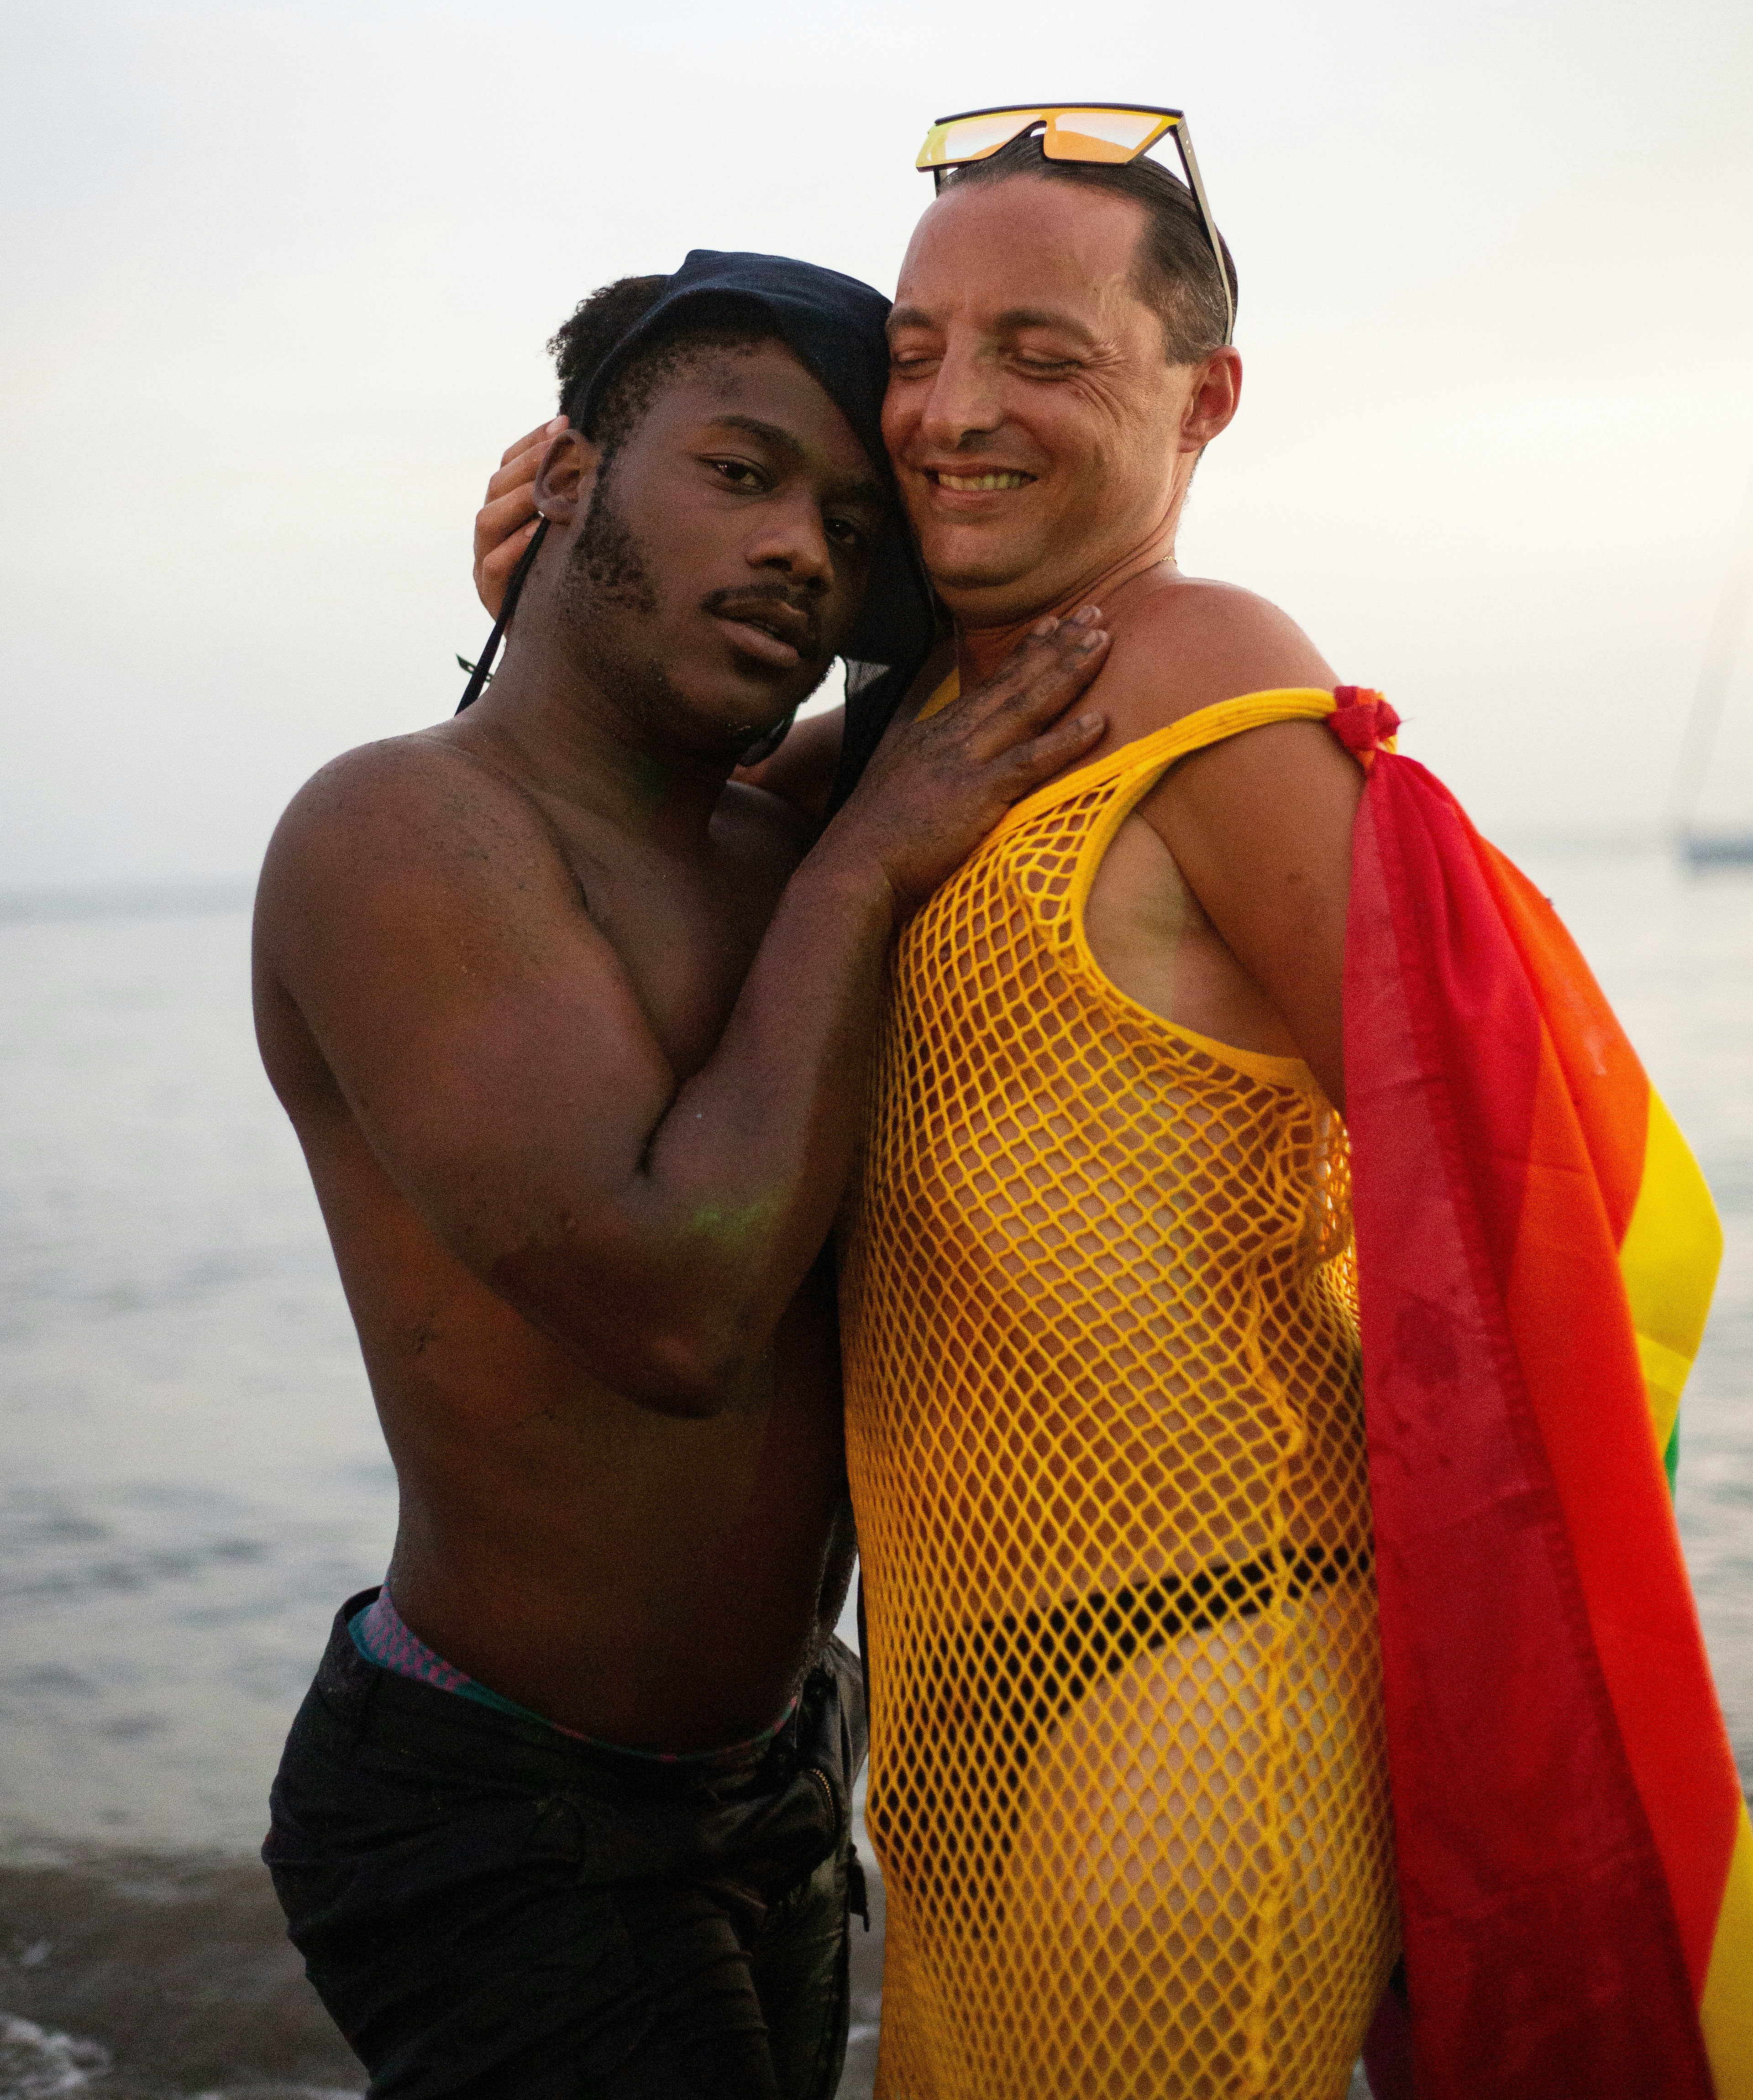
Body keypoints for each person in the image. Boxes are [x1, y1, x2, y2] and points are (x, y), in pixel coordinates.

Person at [475, 126, 1744, 2100]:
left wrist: (1497, 1650)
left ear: (1202, 398)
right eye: (918, 349)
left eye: (1043, 355)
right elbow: (671, 846)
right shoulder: (927, 739)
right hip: (954, 1722)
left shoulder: (1203, 670)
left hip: (1198, 1673)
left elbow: (1497, 1159)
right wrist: (571, 598)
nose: (955, 412)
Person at [254, 247, 1113, 2100]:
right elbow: (676, 1304)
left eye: (846, 528)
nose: (806, 548)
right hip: (504, 1805)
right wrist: (873, 865)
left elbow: (1009, 658)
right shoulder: (399, 831)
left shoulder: (776, 832)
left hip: (782, 1776)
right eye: (739, 473)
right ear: (565, 476)